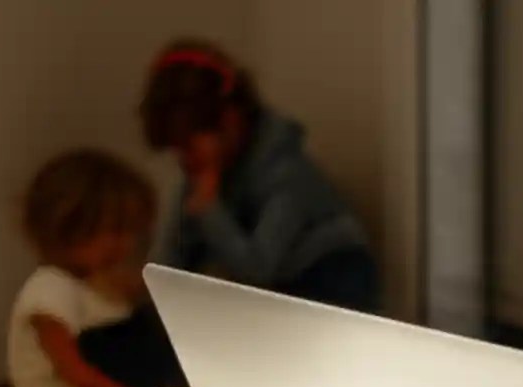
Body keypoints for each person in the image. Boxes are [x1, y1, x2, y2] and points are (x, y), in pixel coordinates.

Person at [140, 40, 379, 313]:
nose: (184, 159)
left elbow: (258, 270)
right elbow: (174, 261)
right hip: (279, 294)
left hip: (333, 289)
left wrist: (209, 210)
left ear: (230, 120)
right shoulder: (209, 171)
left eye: (189, 145)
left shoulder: (288, 174)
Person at [8, 150, 186, 387]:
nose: (125, 244)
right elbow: (75, 373)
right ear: (70, 230)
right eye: (115, 233)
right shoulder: (48, 290)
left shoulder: (94, 285)